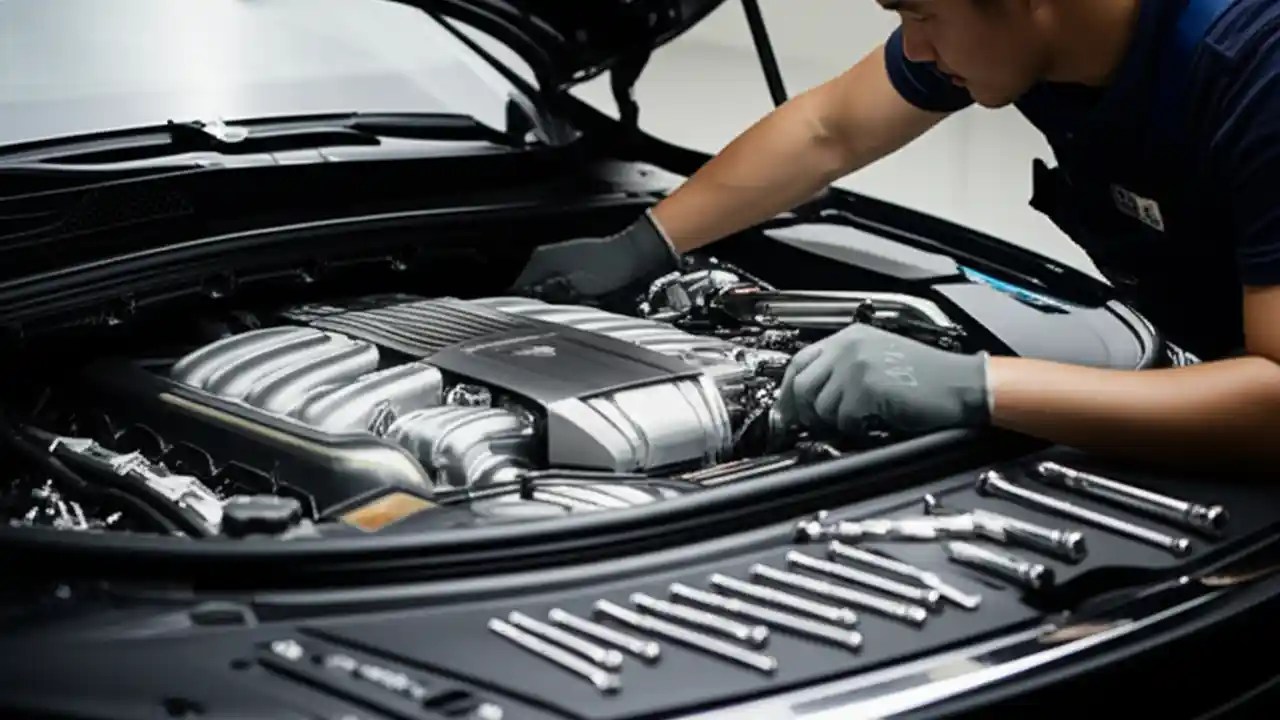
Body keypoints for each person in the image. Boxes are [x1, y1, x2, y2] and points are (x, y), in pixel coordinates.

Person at [512, 0, 1280, 470]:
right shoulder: (1041, 39)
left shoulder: (1254, 68)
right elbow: (826, 129)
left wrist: (976, 387)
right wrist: (646, 243)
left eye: (919, 13)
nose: (912, 49)